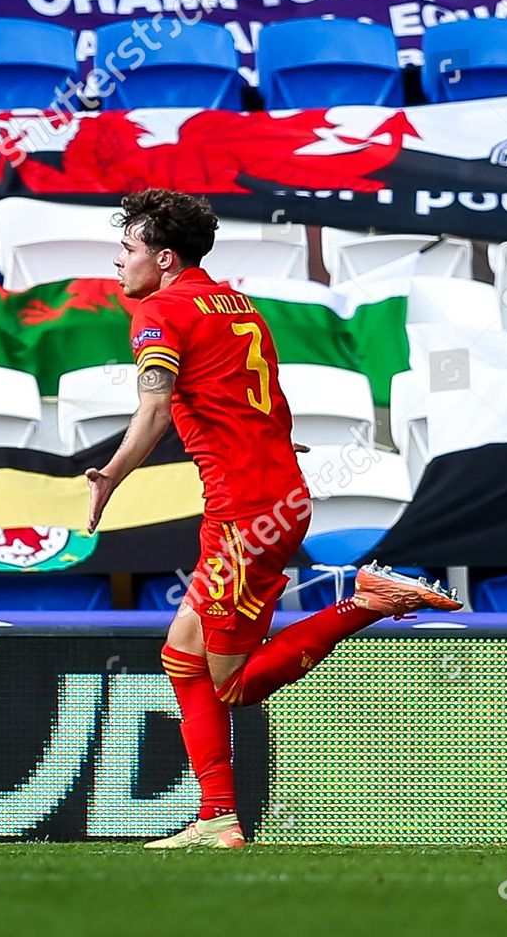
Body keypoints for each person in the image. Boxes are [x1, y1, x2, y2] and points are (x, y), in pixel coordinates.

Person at [84, 188, 460, 850]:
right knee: (181, 657)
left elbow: (154, 410)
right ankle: (218, 820)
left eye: (128, 249)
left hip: (241, 512)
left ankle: (366, 603)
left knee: (232, 684)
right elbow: (254, 394)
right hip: (272, 490)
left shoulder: (159, 314)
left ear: (164, 258)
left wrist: (111, 475)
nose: (118, 263)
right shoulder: (237, 304)